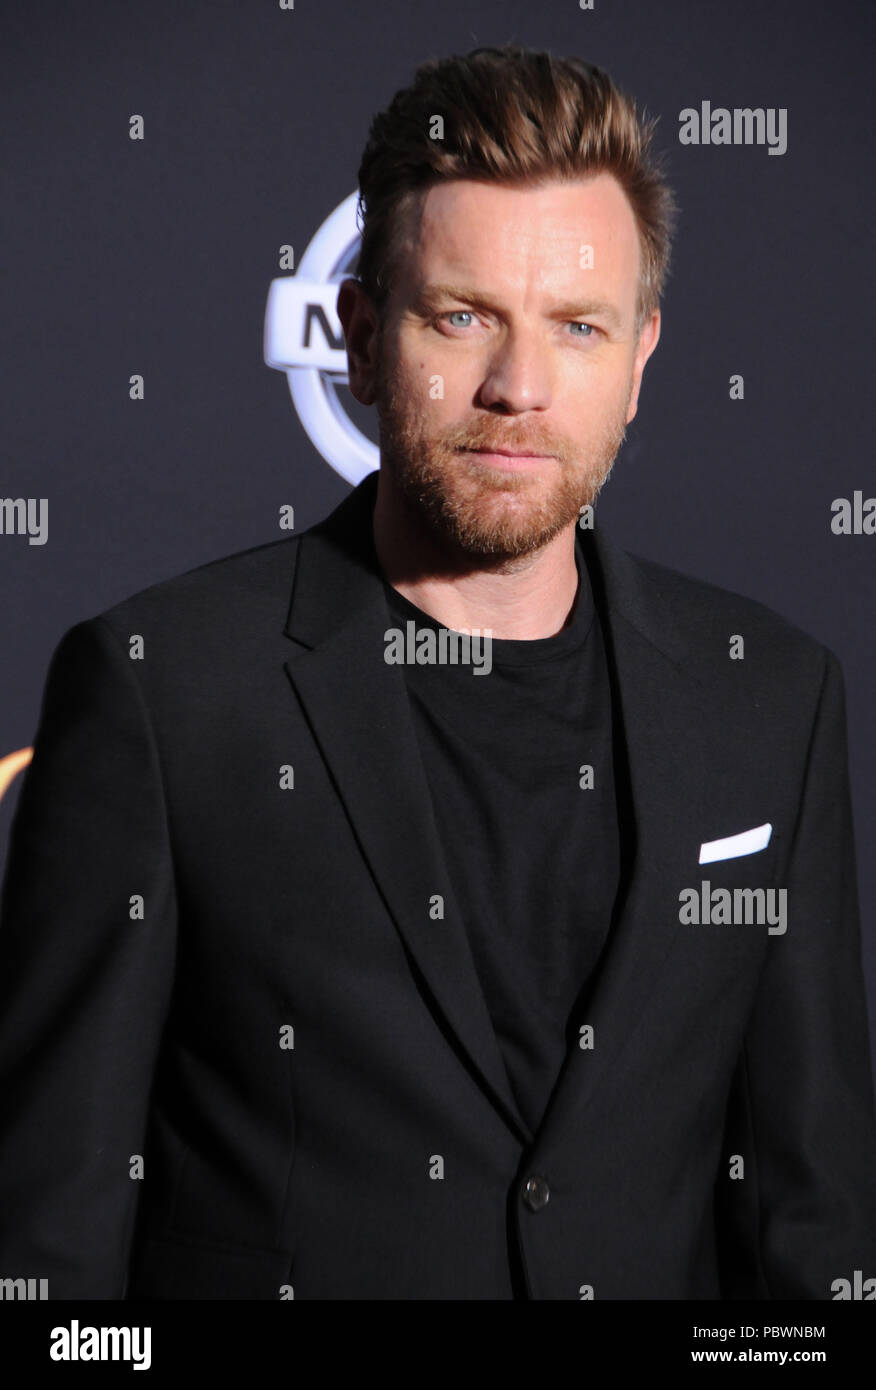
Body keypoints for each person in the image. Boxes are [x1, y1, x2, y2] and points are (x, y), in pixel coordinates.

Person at [1, 44, 875, 1301]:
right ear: (359, 336)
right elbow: (49, 1252)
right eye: (462, 316)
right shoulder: (161, 690)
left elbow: (812, 1223)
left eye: (578, 328)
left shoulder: (771, 702)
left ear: (639, 361)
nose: (519, 388)